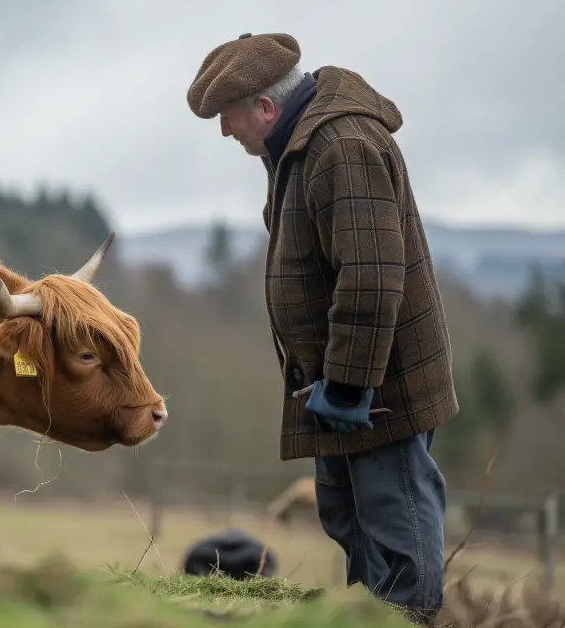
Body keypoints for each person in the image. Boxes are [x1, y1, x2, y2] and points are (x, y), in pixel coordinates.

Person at [185, 32, 460, 624]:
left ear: (265, 107)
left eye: (228, 116)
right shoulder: (298, 148)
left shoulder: (342, 146)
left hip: (378, 391)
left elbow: (370, 277)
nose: (225, 131)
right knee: (349, 521)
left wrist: (347, 386)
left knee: (397, 534)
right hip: (344, 387)